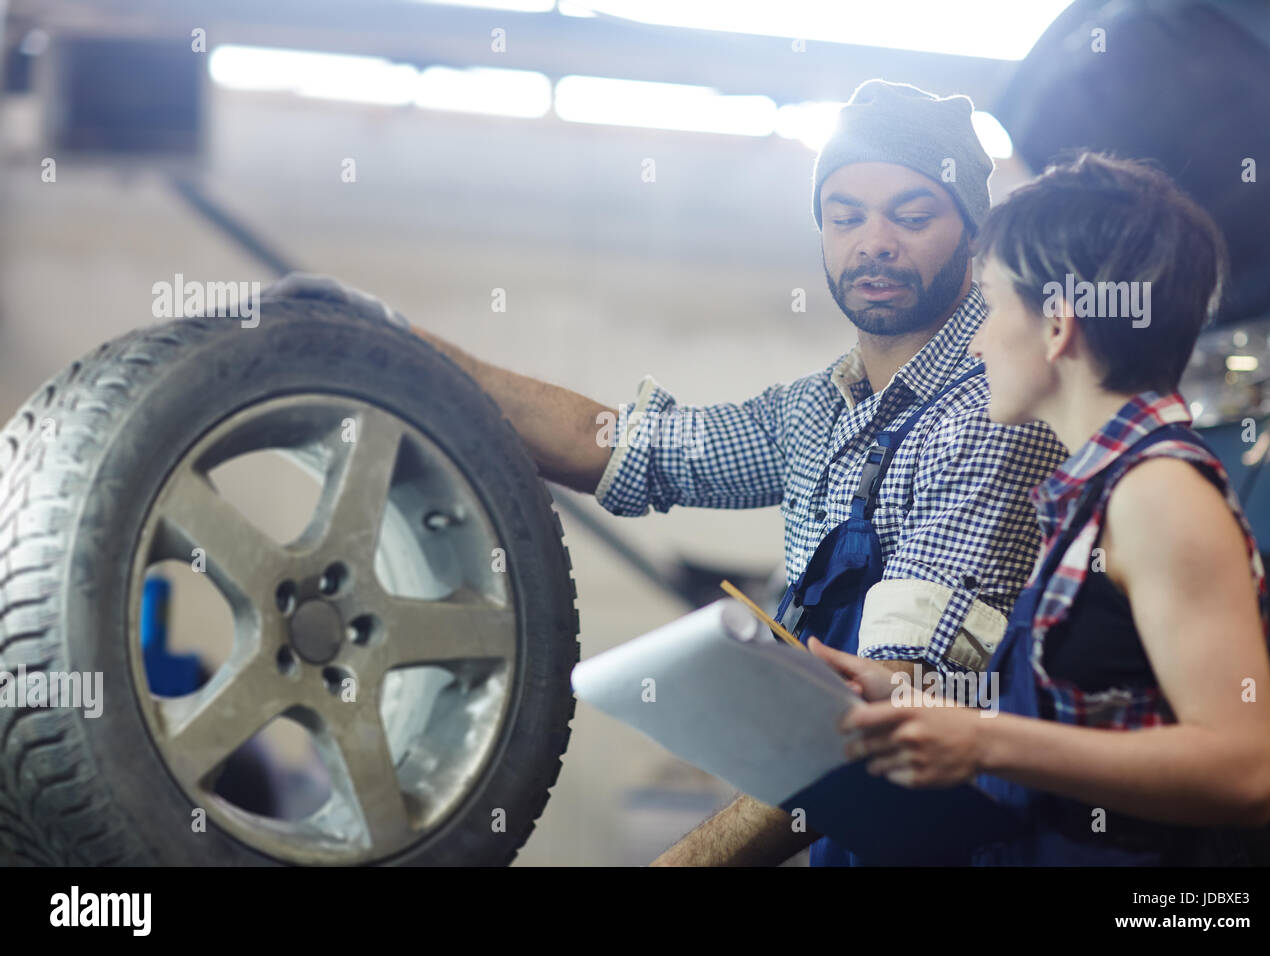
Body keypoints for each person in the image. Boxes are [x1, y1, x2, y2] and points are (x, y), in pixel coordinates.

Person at [268, 78, 1068, 867]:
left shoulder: (993, 415)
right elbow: (615, 446)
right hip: (857, 830)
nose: (875, 241)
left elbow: (884, 713)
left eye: (913, 214)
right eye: (845, 216)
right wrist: (398, 346)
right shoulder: (822, 411)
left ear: (972, 231)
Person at [809, 152, 1270, 865]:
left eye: (994, 305)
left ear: (1058, 325)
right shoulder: (1096, 493)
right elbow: (1087, 718)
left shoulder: (1157, 494)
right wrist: (921, 703)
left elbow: (1244, 774)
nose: (977, 339)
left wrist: (984, 741)